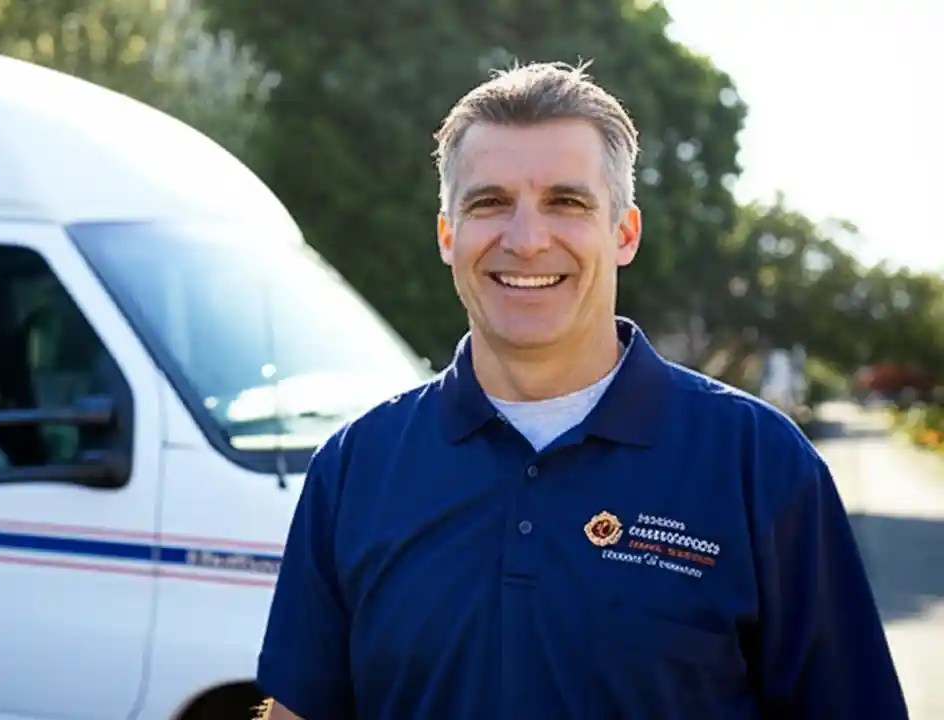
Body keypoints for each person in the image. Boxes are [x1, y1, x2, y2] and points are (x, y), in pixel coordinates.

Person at [254, 60, 908, 719]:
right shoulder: (356, 468)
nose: (527, 239)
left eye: (566, 203)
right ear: (448, 235)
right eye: (490, 203)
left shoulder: (759, 465)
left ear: (623, 234)